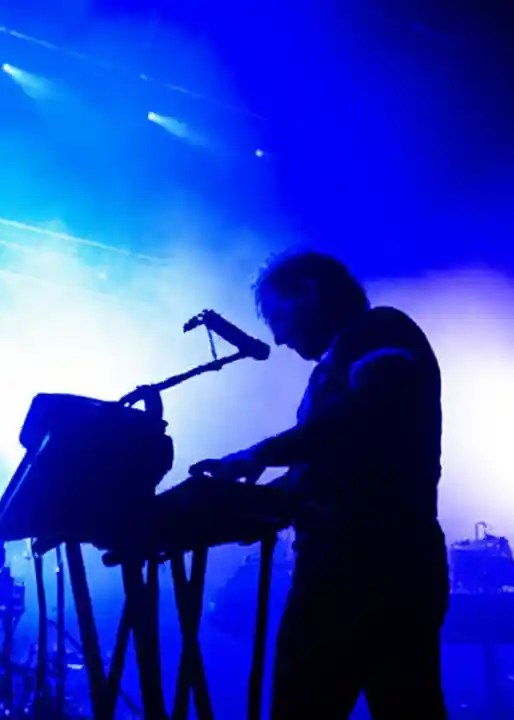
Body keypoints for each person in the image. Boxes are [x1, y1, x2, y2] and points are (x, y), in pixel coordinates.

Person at [191, 250, 449, 719]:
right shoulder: (347, 355)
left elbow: (365, 412)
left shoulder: (380, 331)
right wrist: (250, 502)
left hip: (360, 565)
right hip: (387, 564)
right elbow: (328, 465)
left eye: (278, 316)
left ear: (309, 291)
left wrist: (258, 455)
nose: (278, 336)